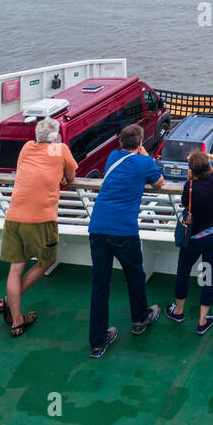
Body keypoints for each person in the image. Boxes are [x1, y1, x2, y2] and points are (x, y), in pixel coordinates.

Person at [87, 122, 165, 358]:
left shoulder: (112, 157)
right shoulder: (145, 162)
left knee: (100, 285)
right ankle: (140, 319)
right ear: (141, 143)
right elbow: (159, 182)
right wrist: (145, 154)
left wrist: (138, 151)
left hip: (98, 227)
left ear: (120, 143)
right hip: (123, 231)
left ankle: (98, 341)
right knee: (135, 276)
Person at [0, 115, 76, 337]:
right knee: (47, 260)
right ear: (56, 136)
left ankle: (16, 320)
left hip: (14, 215)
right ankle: (8, 303)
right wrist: (62, 175)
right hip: (41, 218)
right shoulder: (61, 149)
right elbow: (71, 176)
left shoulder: (25, 148)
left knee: (15, 268)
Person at [165, 148, 213, 335]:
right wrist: (205, 156)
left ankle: (178, 311)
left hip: (194, 240)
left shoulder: (190, 188)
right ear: (208, 166)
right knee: (207, 275)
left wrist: (194, 166)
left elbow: (186, 204)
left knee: (183, 271)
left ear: (191, 171)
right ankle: (202, 321)